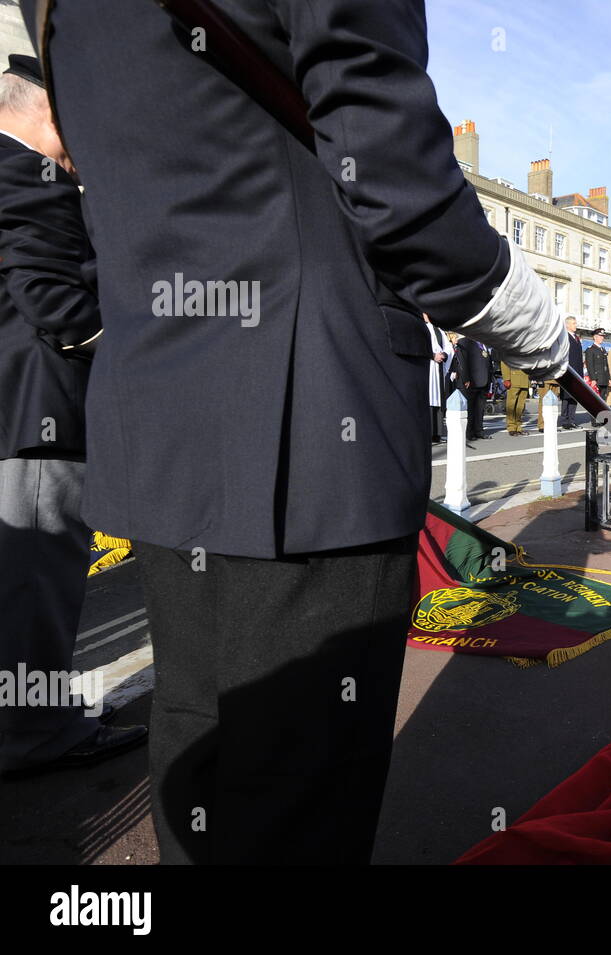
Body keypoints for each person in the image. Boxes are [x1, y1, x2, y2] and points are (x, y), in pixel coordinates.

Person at [23, 0, 568, 863]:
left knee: (199, 744)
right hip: (310, 412)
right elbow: (391, 170)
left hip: (166, 410)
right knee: (298, 790)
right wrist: (524, 312)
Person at [0, 54, 148, 779]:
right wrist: (136, 360)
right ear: (48, 112)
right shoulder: (29, 175)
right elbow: (55, 304)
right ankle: (33, 734)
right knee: (36, 582)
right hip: (38, 413)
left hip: (14, 410)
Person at [453, 335, 492, 440]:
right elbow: (462, 361)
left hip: (484, 380)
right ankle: (469, 432)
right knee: (470, 408)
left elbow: (488, 361)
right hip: (472, 380)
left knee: (480, 408)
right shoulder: (465, 341)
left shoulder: (484, 343)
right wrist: (466, 378)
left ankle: (479, 430)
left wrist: (491, 379)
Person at [424, 315, 450, 443]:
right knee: (428, 398)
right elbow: (418, 344)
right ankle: (427, 432)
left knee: (438, 399)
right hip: (426, 366)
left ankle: (437, 433)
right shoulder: (420, 326)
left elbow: (448, 348)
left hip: (438, 367)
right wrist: (432, 355)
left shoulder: (438, 330)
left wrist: (443, 355)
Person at [557, 315, 582, 430]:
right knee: (566, 397)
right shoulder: (564, 336)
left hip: (577, 372)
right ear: (567, 325)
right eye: (573, 323)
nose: (575, 325)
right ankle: (564, 420)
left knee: (574, 397)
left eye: (575, 323)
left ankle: (572, 419)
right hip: (568, 371)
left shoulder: (576, 338)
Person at [500, 358, 530, 436]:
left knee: (521, 406)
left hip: (525, 379)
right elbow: (504, 361)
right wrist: (506, 378)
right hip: (513, 379)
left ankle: (518, 427)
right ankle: (511, 427)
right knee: (511, 405)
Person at [585, 328, 611, 400]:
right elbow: (589, 365)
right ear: (595, 337)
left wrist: (609, 378)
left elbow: (606, 365)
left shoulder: (603, 350)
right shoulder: (590, 349)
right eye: (600, 336)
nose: (602, 338)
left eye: (603, 336)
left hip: (604, 379)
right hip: (597, 379)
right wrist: (593, 379)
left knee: (603, 400)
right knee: (595, 400)